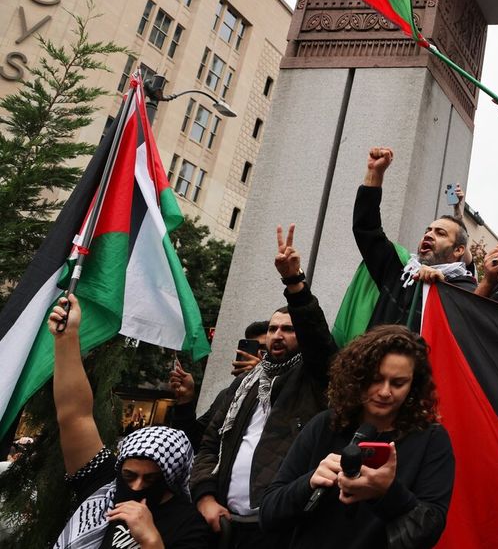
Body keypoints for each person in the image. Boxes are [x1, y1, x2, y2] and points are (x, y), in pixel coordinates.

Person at [189, 225, 338, 546]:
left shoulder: (315, 379)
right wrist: (204, 498)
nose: (277, 335)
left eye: (288, 328)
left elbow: (319, 341)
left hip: (278, 528)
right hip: (224, 524)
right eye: (272, 328)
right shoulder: (245, 384)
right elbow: (208, 444)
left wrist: (294, 283)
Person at [260, 325, 454, 549]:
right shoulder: (325, 424)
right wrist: (310, 482)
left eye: (398, 383)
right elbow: (269, 514)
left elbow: (428, 533)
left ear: (414, 385)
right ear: (357, 376)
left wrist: (387, 494)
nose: (384, 392)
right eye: (375, 379)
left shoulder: (431, 440)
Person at [48, 294, 211, 549]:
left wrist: (150, 539)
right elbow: (74, 415)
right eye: (129, 475)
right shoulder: (102, 484)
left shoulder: (189, 523)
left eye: (151, 480)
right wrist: (67, 338)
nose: (136, 487)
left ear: (173, 477)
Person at [355, 147, 477, 330]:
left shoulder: (465, 291)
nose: (429, 234)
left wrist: (440, 288)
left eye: (440, 233)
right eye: (428, 230)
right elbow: (367, 229)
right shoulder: (399, 273)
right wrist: (375, 172)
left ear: (458, 250)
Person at [170, 320, 269, 448]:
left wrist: (261, 377)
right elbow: (191, 442)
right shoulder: (227, 395)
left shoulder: (282, 397)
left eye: (264, 352)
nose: (254, 357)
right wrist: (185, 400)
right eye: (252, 350)